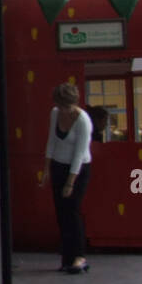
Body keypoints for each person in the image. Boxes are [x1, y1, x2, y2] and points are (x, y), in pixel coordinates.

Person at [41, 82, 93, 274]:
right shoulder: (55, 113)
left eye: (67, 107)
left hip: (78, 170)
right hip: (58, 165)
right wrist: (46, 169)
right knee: (61, 213)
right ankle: (67, 257)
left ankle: (79, 256)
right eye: (61, 106)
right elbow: (51, 141)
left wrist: (70, 183)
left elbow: (79, 154)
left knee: (73, 211)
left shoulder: (83, 121)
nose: (64, 111)